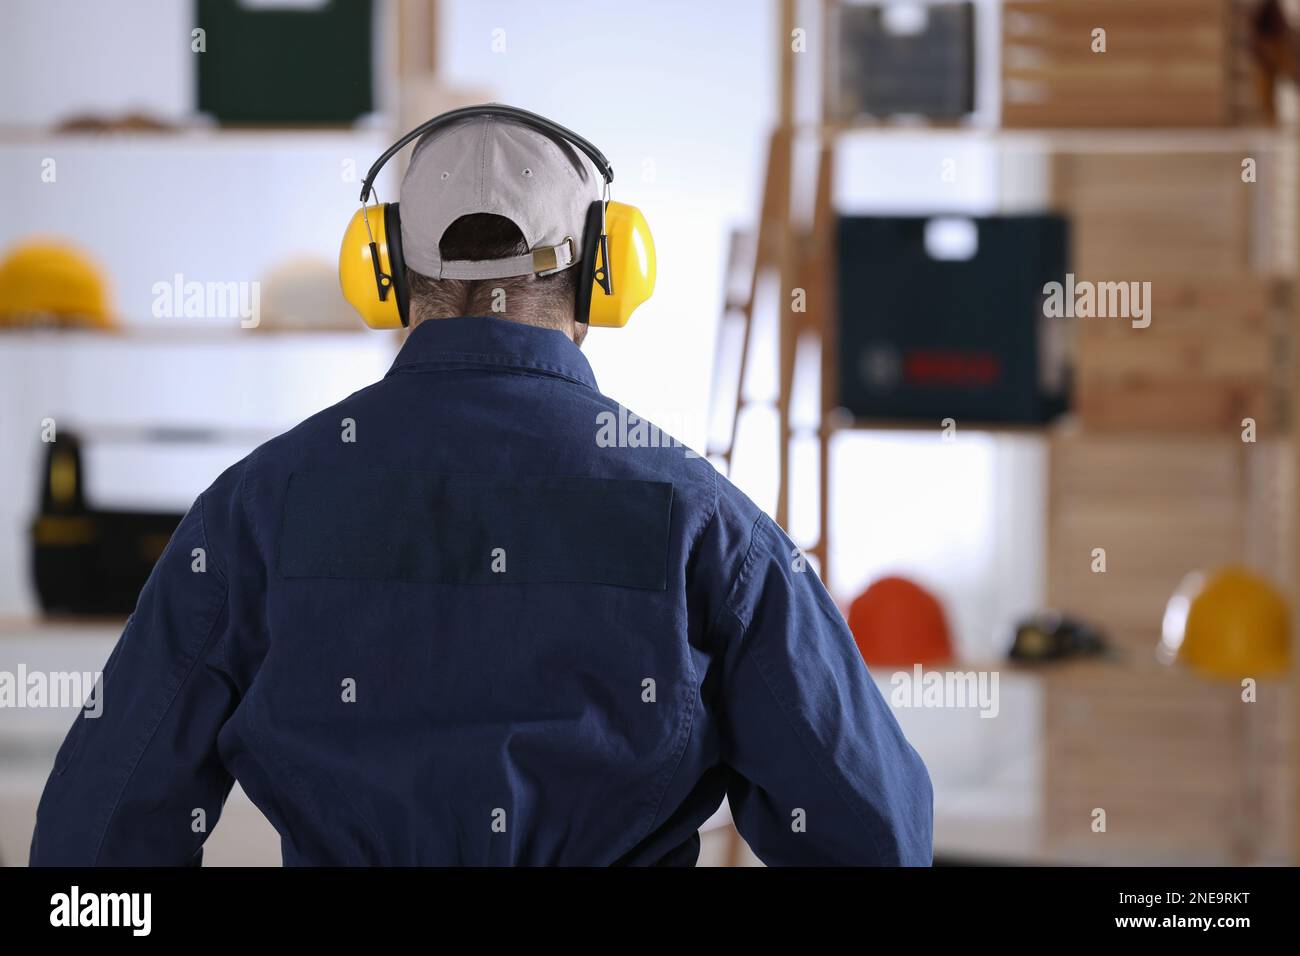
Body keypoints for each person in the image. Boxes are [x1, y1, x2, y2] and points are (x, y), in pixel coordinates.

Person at [30, 107, 932, 866]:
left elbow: (92, 838)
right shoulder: (706, 522)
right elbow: (876, 834)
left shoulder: (256, 508)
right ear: (605, 271)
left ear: (380, 269)